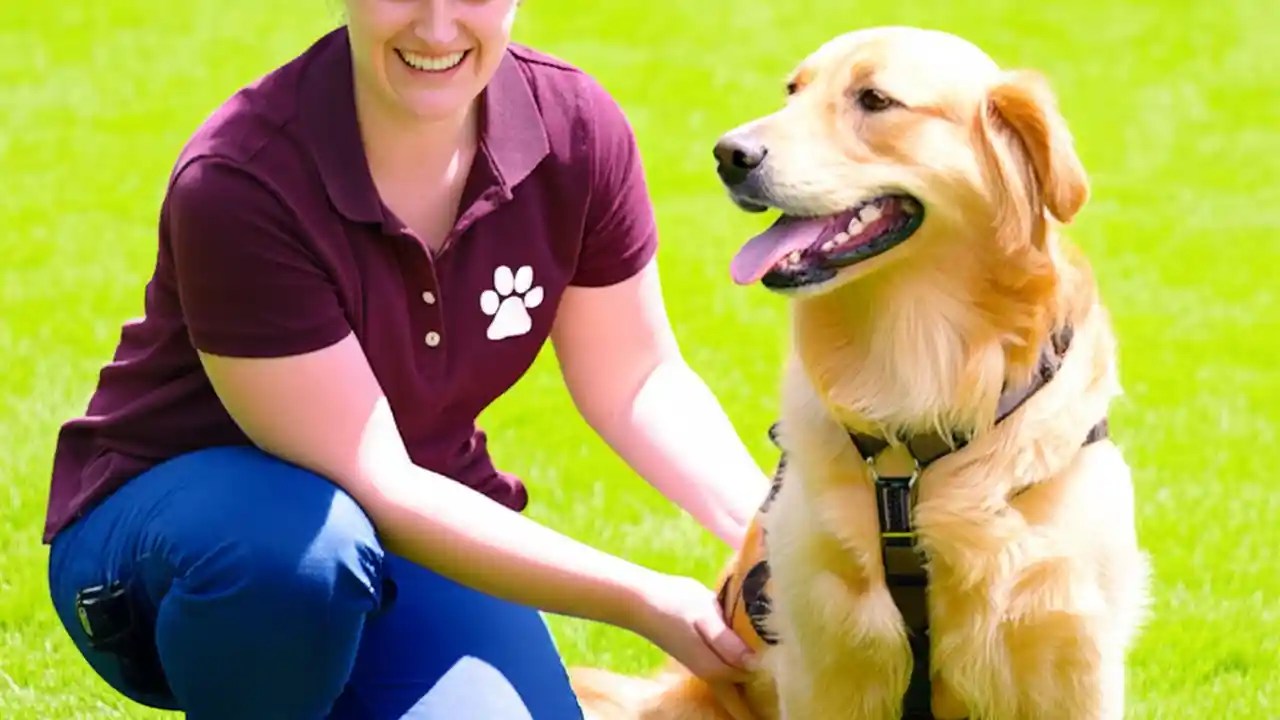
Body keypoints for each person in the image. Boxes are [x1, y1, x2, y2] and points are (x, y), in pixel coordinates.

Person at [41, 1, 773, 718]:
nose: (436, 24)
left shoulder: (574, 130)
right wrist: (644, 598)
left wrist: (777, 531)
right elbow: (377, 480)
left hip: (419, 524)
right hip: (190, 542)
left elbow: (636, 378)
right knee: (300, 560)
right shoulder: (242, 179)